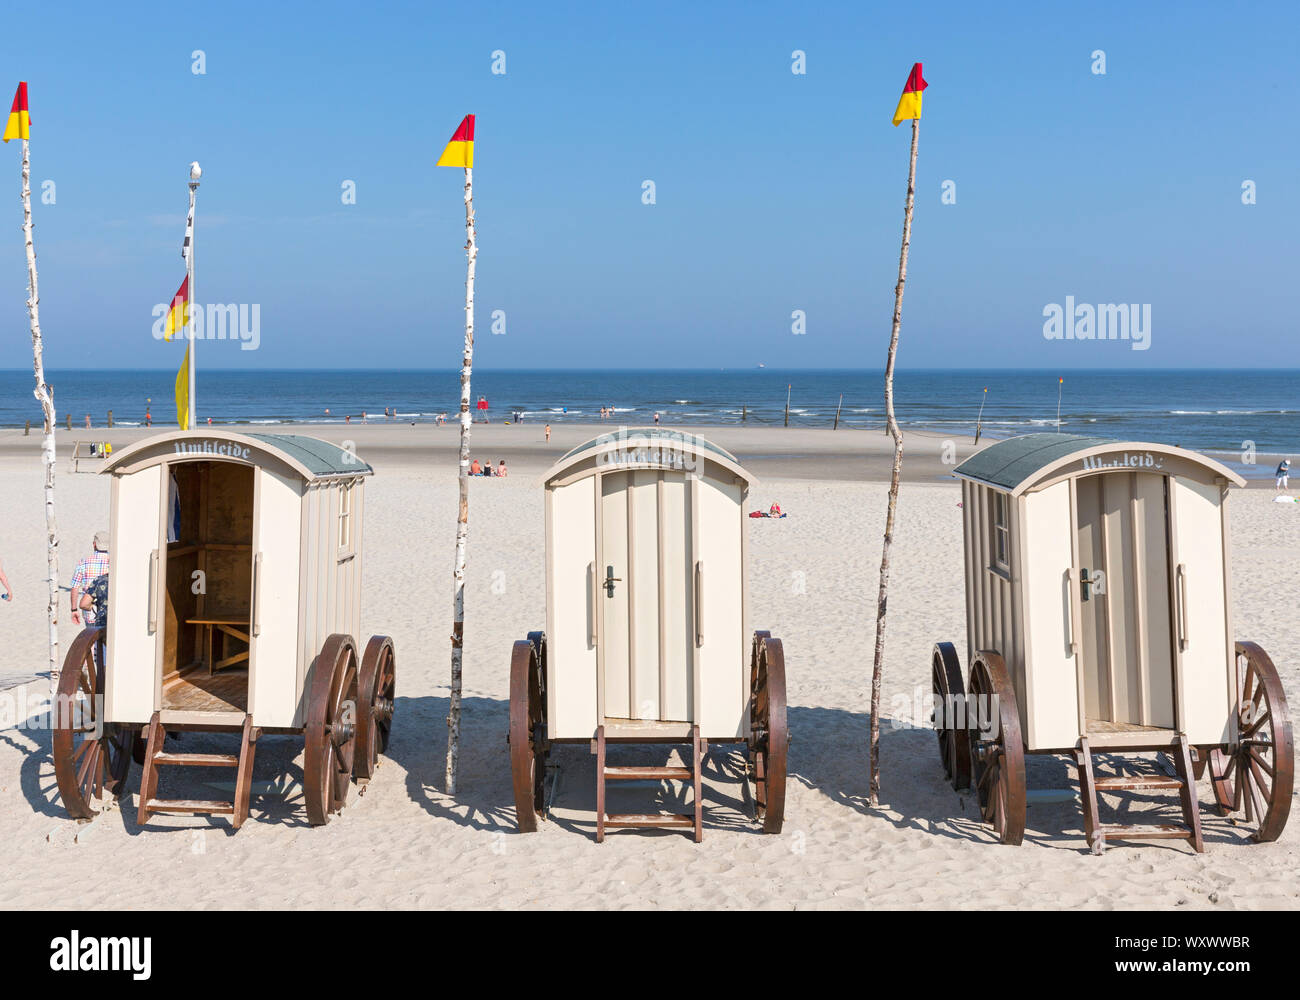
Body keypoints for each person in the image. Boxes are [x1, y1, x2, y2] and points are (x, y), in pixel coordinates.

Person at [70, 531, 110, 629]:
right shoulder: (113, 561)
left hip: (90, 610)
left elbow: (75, 587)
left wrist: (74, 609)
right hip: (109, 610)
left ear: (94, 544)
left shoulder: (84, 562)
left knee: (92, 639)